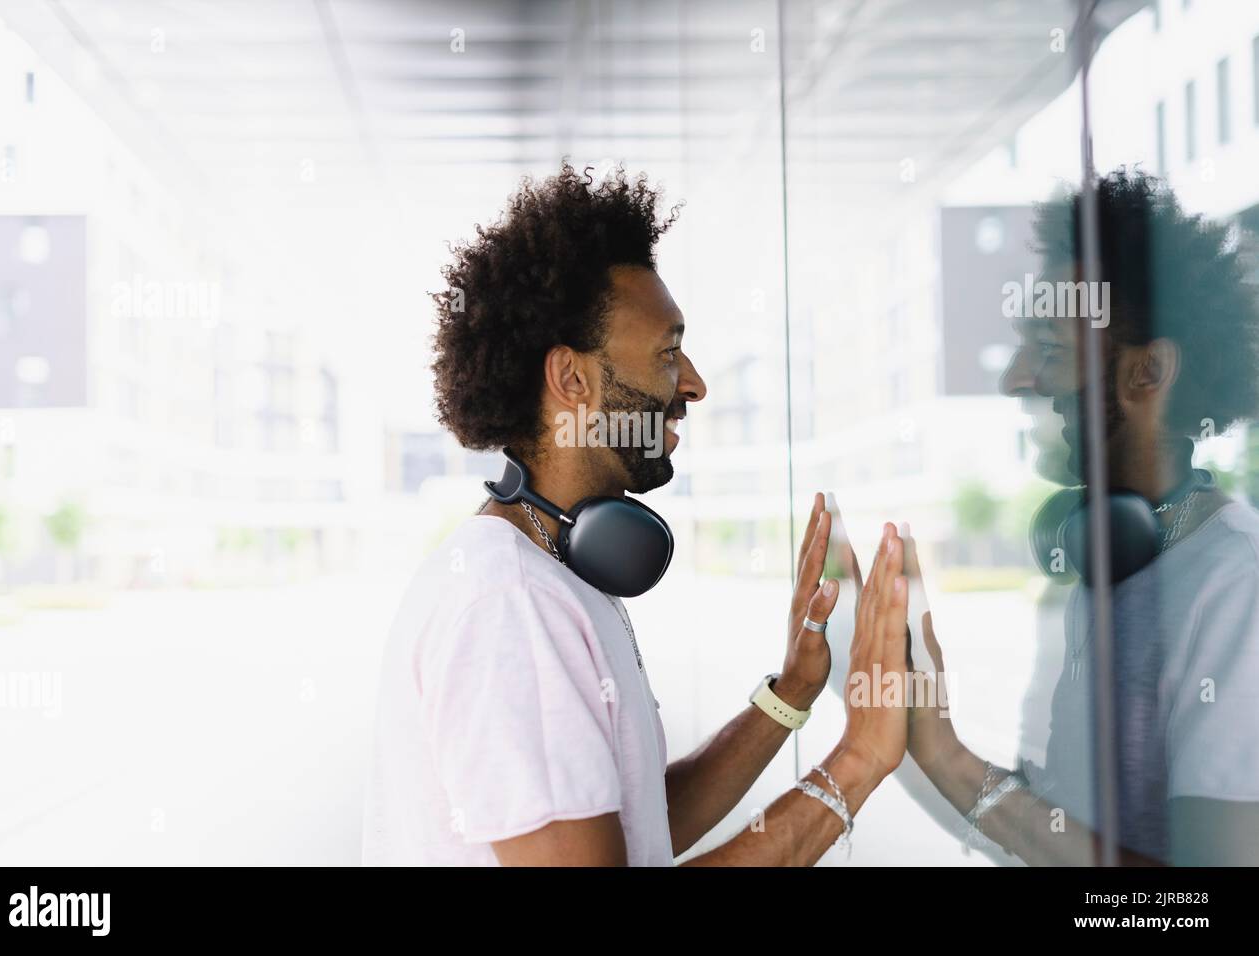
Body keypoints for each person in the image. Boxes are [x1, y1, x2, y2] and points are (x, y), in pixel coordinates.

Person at [361, 164, 909, 866]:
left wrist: (792, 691)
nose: (694, 383)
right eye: (667, 352)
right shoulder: (512, 606)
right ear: (571, 380)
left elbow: (634, 826)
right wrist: (857, 761)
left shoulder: (545, 570)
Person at [905, 169, 1259, 865]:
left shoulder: (1237, 590)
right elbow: (1058, 833)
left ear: (1146, 374)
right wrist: (906, 733)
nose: (1014, 377)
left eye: (1051, 349)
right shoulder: (1112, 563)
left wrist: (944, 755)